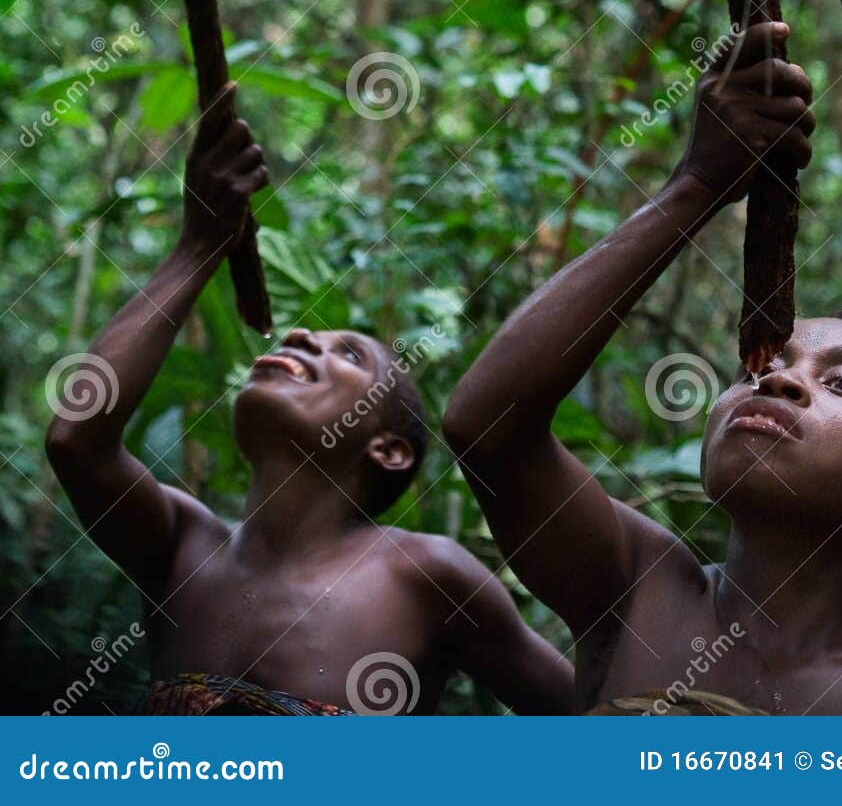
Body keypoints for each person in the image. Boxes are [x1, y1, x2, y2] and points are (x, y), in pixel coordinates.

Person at [444, 24, 842, 716]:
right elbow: (485, 428)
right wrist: (695, 184)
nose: (778, 381)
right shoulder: (634, 588)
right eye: (760, 367)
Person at [46, 86, 572, 716]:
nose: (301, 336)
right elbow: (76, 437)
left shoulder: (429, 575)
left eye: (349, 354)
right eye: (308, 336)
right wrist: (198, 245)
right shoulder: (180, 546)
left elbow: (591, 727)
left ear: (390, 448)